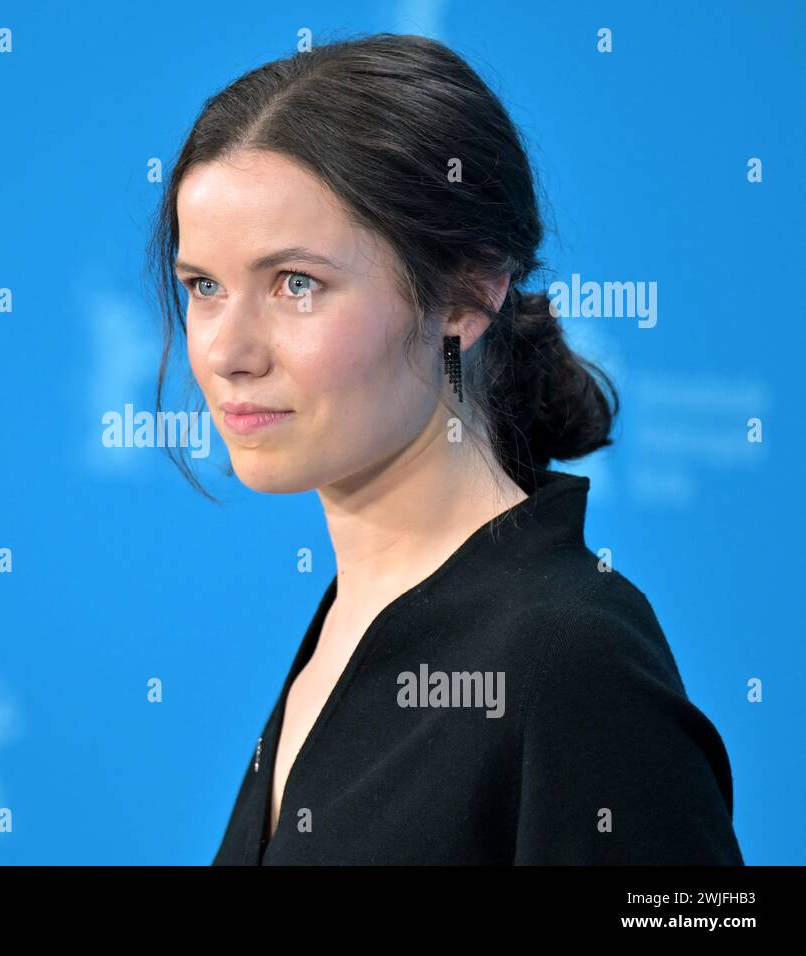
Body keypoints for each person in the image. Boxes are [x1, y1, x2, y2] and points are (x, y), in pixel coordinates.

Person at [144, 33, 743, 864]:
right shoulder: (349, 629)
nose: (227, 351)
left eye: (297, 284)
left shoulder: (572, 661)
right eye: (204, 286)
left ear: (467, 292)